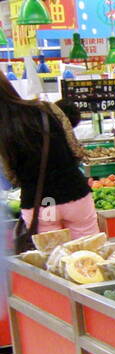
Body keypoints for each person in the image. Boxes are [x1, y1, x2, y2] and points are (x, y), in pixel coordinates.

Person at [0, 79, 97, 240]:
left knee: (53, 257)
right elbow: (76, 150)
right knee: (90, 252)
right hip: (75, 194)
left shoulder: (3, 128)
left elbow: (11, 176)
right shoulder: (47, 108)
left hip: (41, 203)